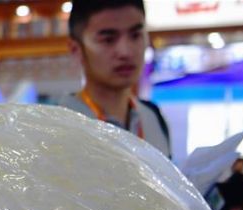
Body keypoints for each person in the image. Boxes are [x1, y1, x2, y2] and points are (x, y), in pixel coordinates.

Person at [60, 0, 171, 157]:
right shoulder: (58, 127)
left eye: (135, 35)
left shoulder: (153, 118)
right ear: (76, 49)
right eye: (108, 39)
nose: (125, 52)